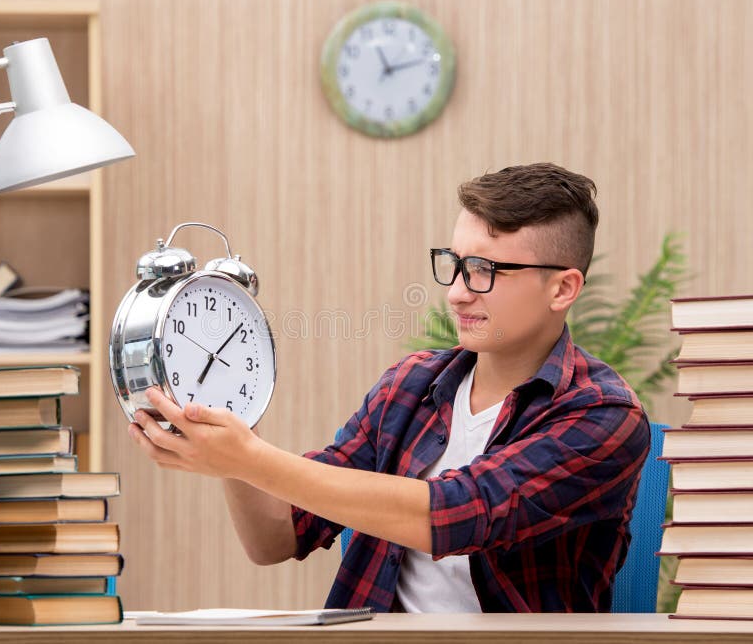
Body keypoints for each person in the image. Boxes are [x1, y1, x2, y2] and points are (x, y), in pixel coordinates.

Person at [129, 162, 650, 613]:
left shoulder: (603, 415)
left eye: (485, 271)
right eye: (455, 265)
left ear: (563, 288)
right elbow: (276, 537)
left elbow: (456, 514)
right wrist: (230, 419)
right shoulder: (412, 385)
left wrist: (246, 457)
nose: (457, 294)